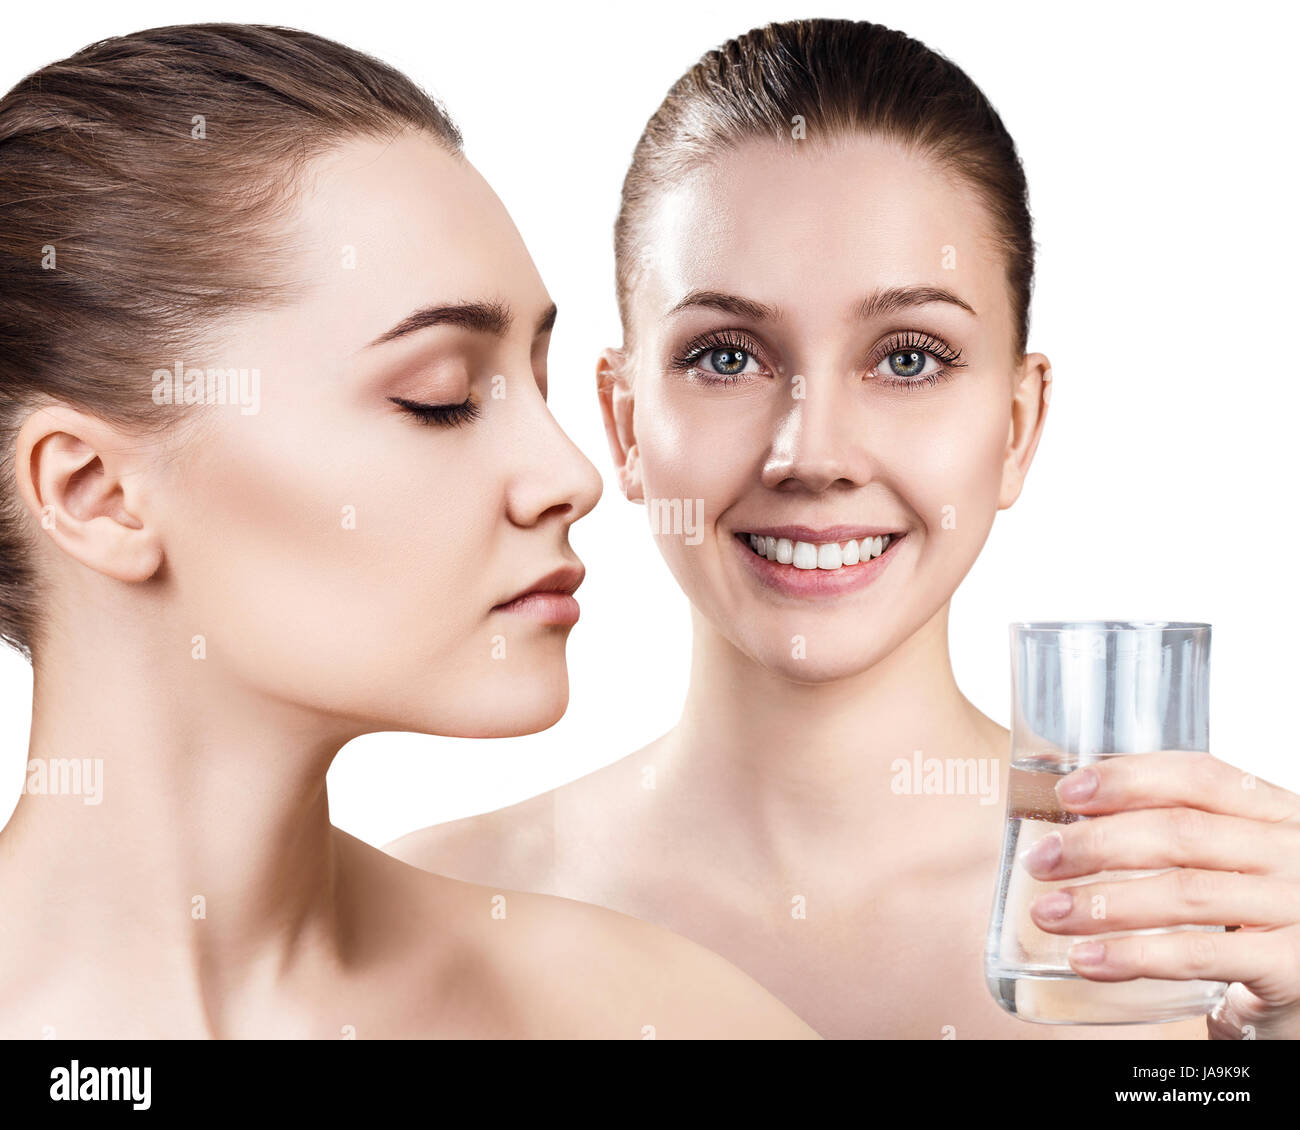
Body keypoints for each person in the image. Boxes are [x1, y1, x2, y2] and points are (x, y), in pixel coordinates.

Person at [389, 18, 1300, 1040]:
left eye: (908, 357)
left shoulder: (1206, 946)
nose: (812, 452)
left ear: (1016, 425)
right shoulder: (408, 926)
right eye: (726, 356)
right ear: (624, 423)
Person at [0, 22, 817, 1040]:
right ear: (94, 493)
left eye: (535, 380)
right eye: (439, 397)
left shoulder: (656, 1016)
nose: (570, 476)